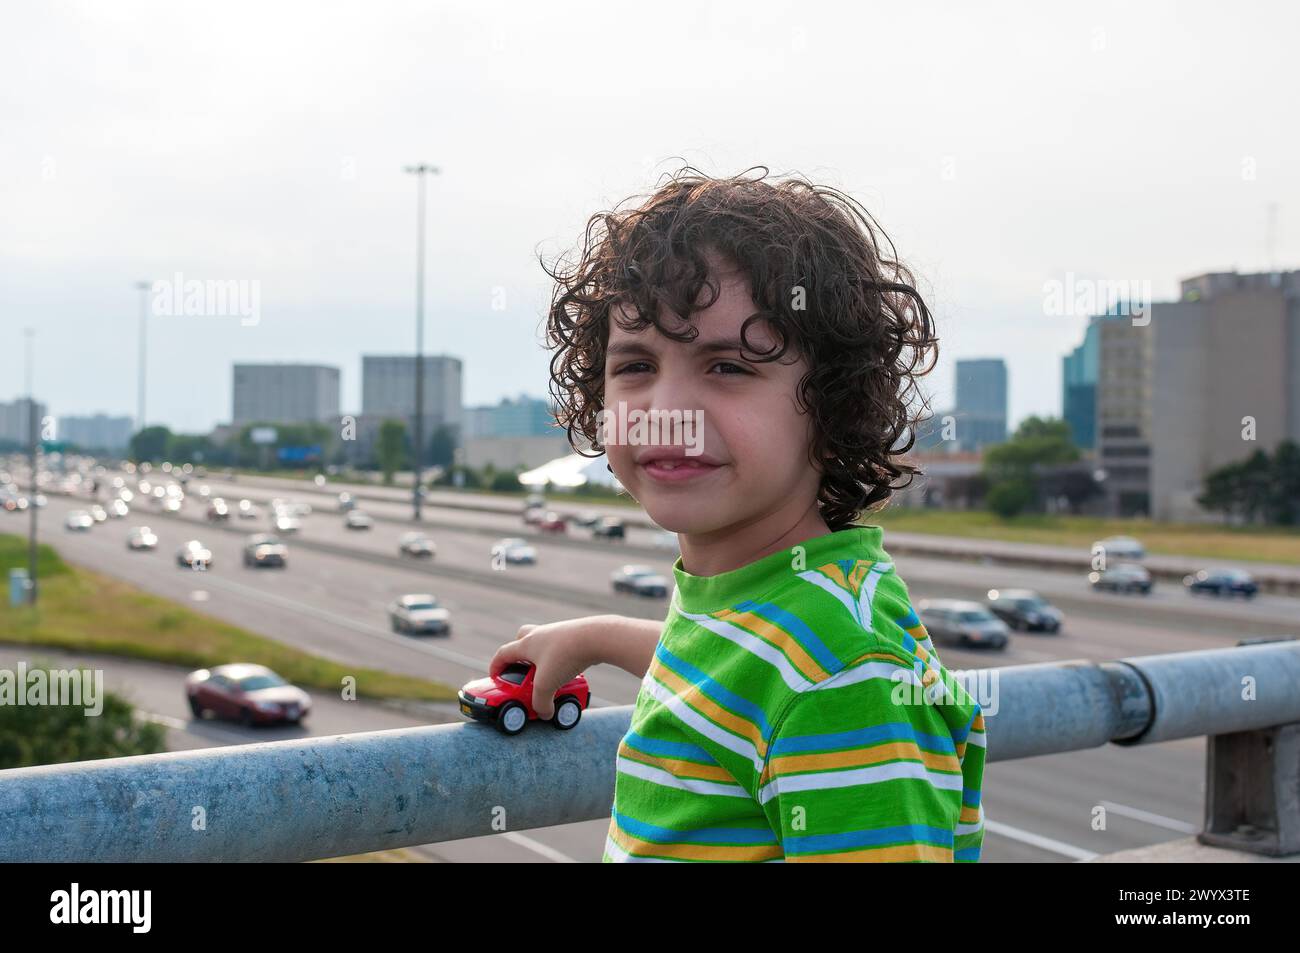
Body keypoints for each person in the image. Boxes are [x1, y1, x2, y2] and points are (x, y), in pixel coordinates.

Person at [490, 167, 985, 862]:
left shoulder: (847, 679)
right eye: (635, 366)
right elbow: (734, 663)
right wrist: (596, 636)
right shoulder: (769, 601)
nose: (669, 414)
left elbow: (794, 679)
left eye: (727, 367)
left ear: (833, 405)